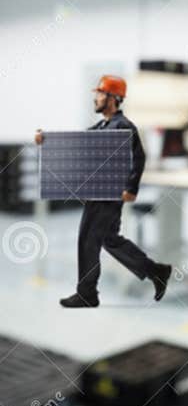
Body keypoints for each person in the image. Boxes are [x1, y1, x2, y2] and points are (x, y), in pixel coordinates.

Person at [35, 74, 172, 308]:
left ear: (114, 98)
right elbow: (76, 142)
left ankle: (87, 293)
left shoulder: (124, 126)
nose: (96, 98)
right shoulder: (102, 125)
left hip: (109, 196)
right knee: (110, 240)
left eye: (100, 94)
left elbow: (139, 157)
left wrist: (131, 187)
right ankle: (156, 271)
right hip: (99, 193)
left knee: (88, 239)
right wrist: (45, 139)